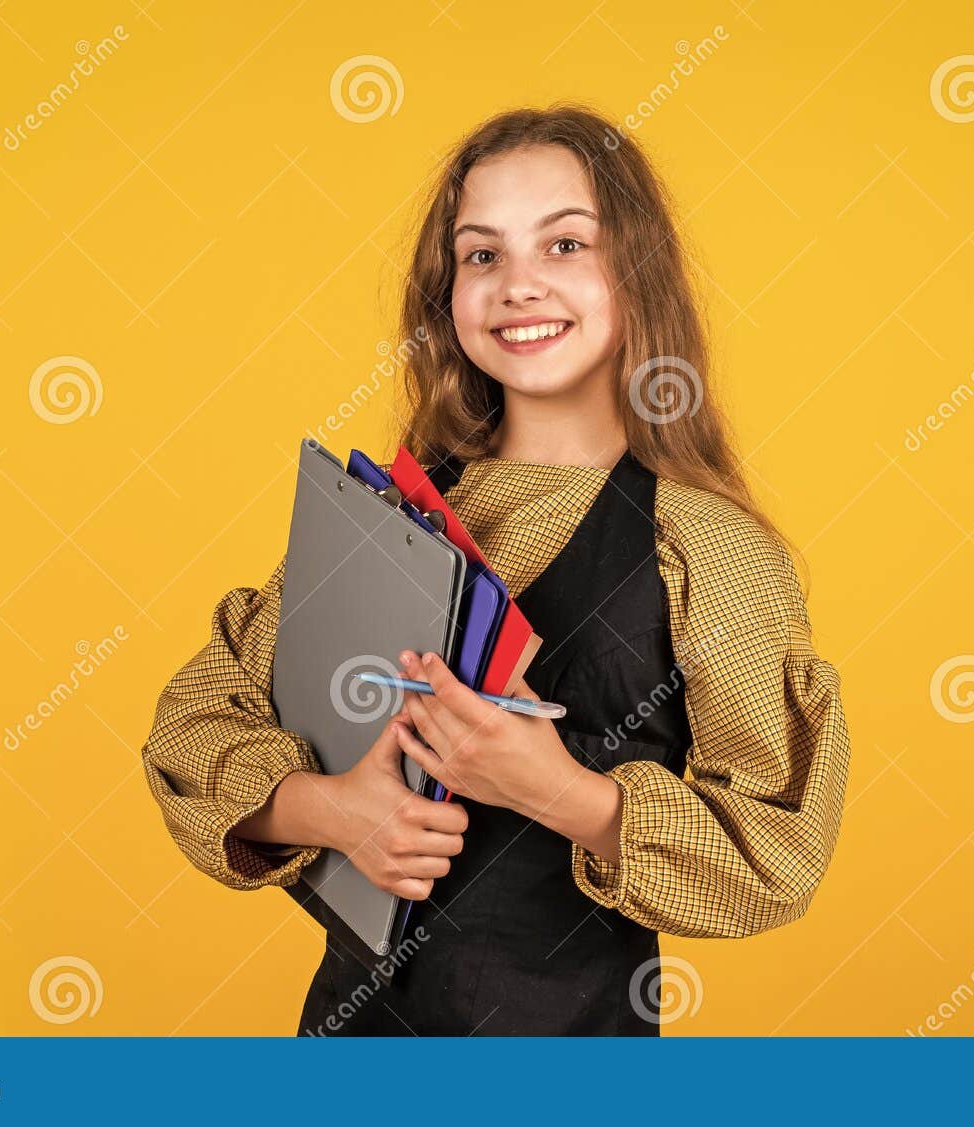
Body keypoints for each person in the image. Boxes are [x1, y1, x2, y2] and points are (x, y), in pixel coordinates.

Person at [140, 103, 851, 1036]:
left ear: (636, 273)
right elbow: (191, 726)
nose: (520, 285)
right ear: (448, 296)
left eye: (566, 245)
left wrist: (556, 789)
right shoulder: (384, 516)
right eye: (483, 255)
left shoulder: (705, 545)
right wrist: (335, 811)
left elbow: (776, 854)